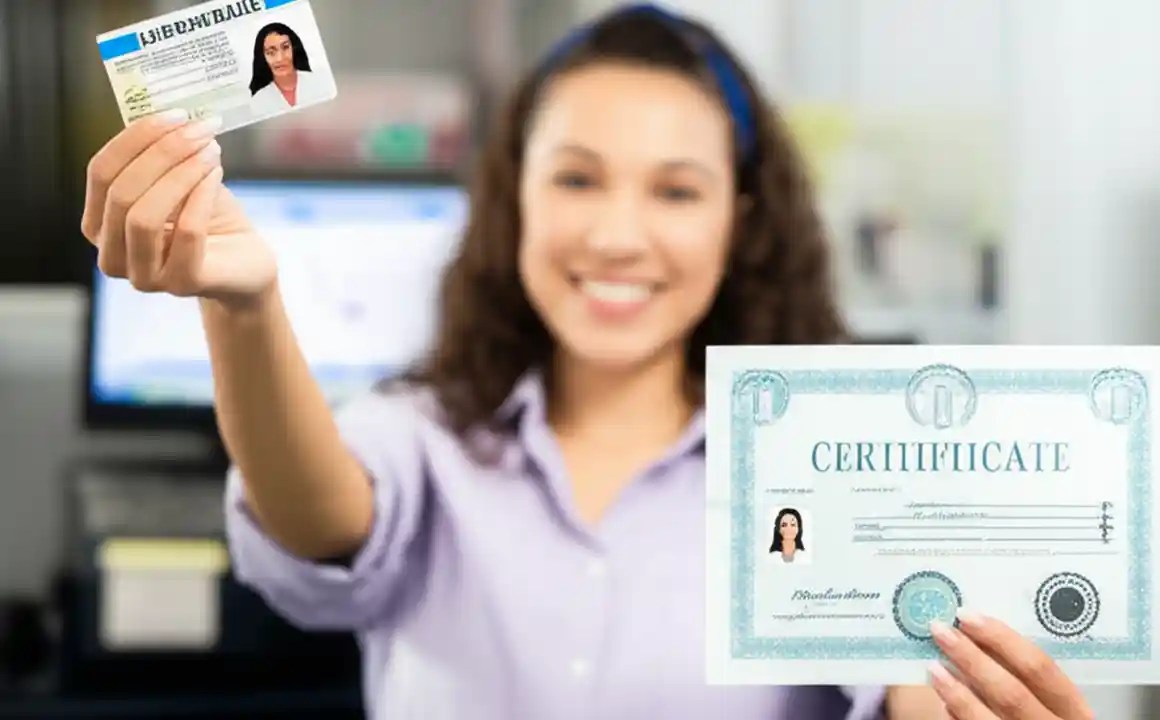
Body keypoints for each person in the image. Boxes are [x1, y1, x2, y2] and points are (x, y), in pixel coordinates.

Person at [78, 4, 1097, 719]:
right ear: (515, 194)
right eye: (576, 179)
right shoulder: (423, 433)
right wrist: (246, 303)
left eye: (675, 191)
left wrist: (978, 702)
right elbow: (319, 520)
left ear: (740, 220)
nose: (616, 236)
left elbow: (910, 685)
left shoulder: (828, 466)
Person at [247, 22, 323, 117]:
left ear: (294, 48)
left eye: (285, 47)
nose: (280, 58)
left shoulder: (319, 82)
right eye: (271, 52)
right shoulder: (258, 101)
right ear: (262, 57)